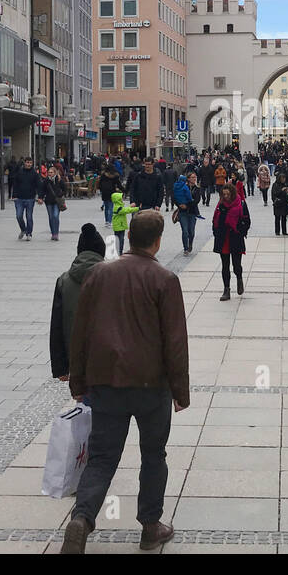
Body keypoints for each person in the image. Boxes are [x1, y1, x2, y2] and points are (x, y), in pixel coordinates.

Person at [61, 210, 189, 554]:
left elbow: (81, 332)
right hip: (151, 385)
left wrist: (78, 381)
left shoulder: (99, 274)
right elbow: (174, 340)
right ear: (158, 240)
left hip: (106, 382)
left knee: (102, 457)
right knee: (153, 454)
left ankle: (82, 519)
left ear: (129, 236)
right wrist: (180, 390)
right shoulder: (164, 279)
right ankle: (150, 526)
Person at [50, 224, 107, 380]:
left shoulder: (64, 281)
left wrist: (60, 368)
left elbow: (57, 326)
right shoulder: (113, 277)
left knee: (84, 401)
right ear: (102, 251)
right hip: (108, 360)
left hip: (75, 359)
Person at [212, 183, 251, 301]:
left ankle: (239, 278)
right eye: (224, 195)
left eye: (228, 194)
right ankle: (226, 289)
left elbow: (247, 221)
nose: (226, 197)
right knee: (225, 265)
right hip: (223, 238)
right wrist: (216, 232)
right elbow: (215, 220)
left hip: (235, 238)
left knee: (236, 265)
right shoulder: (220, 205)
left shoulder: (241, 204)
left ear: (233, 194)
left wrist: (240, 230)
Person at [11, 156, 42, 240]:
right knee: (19, 216)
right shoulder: (19, 172)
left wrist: (40, 197)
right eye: (27, 162)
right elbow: (15, 184)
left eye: (30, 163)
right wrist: (14, 195)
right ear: (24, 163)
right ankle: (23, 229)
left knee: (29, 217)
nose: (29, 164)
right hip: (19, 198)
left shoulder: (35, 174)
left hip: (30, 198)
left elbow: (39, 185)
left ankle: (29, 233)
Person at [173, 170, 200, 254]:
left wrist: (187, 205)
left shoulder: (197, 189)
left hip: (192, 212)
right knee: (185, 230)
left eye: (195, 177)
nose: (194, 179)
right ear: (188, 179)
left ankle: (190, 243)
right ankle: (185, 248)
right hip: (182, 212)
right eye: (192, 177)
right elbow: (174, 197)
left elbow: (197, 200)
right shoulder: (182, 187)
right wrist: (179, 205)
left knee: (191, 231)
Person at [110, 191, 140, 255]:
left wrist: (131, 207)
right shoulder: (117, 207)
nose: (122, 199)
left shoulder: (118, 206)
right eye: (121, 198)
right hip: (119, 226)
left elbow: (125, 209)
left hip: (119, 226)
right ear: (117, 200)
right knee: (120, 240)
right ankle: (119, 252)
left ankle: (118, 251)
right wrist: (137, 208)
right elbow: (126, 210)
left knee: (119, 239)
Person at [42, 165, 67, 241]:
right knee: (51, 217)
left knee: (55, 216)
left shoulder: (59, 180)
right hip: (48, 201)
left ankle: (56, 234)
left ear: (55, 173)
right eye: (49, 172)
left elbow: (65, 189)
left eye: (51, 172)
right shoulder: (46, 180)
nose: (50, 174)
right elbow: (42, 190)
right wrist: (41, 197)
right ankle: (53, 233)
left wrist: (61, 194)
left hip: (57, 201)